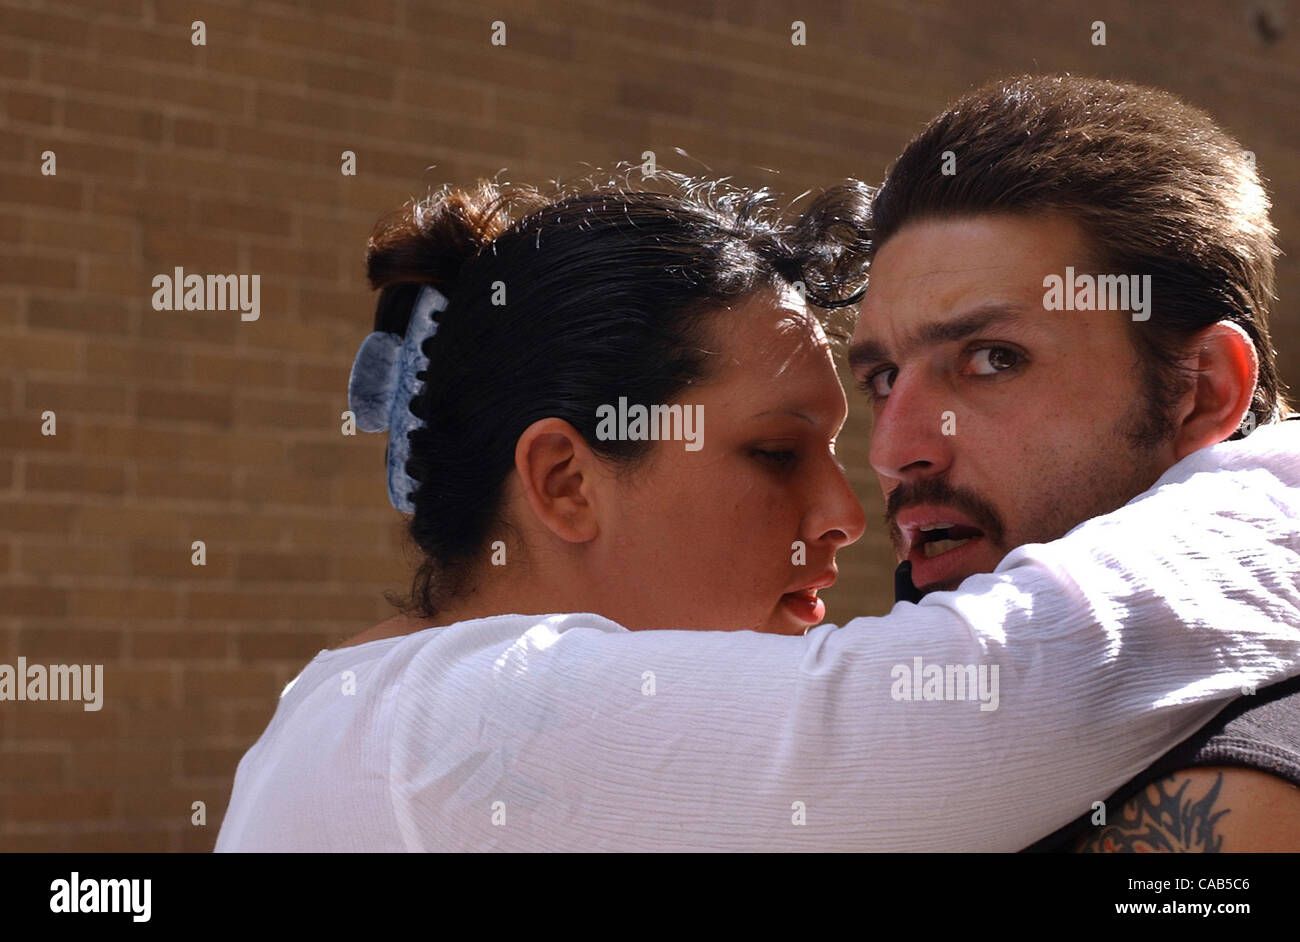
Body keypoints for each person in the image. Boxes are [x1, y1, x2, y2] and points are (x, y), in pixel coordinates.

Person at [214, 173, 1300, 852]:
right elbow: (1025, 688)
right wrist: (1273, 481)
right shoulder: (441, 727)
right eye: (775, 452)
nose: (843, 507)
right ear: (564, 482)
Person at [841, 74, 1300, 851]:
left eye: (992, 358)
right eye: (884, 378)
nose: (893, 450)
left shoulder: (1239, 794)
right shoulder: (899, 708)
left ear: (1202, 391)